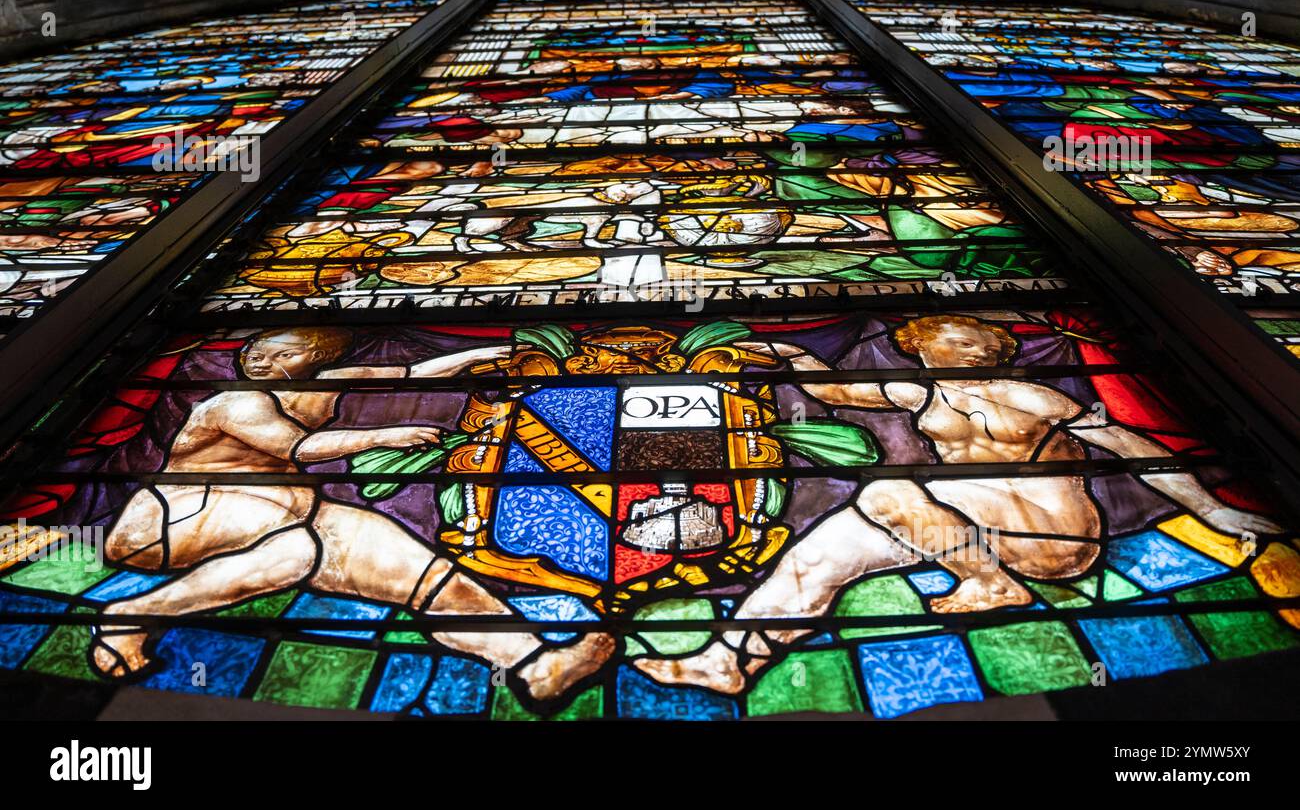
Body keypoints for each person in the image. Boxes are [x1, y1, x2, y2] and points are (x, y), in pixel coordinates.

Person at [635, 314, 1280, 693]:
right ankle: (728, 660)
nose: (964, 348)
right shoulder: (919, 396)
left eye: (973, 341)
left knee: (887, 491)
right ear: (922, 347)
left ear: (993, 350)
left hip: (1053, 536)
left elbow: (1133, 445)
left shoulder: (1036, 398)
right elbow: (831, 390)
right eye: (947, 341)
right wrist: (784, 353)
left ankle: (993, 586)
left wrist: (1212, 509)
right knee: (823, 552)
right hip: (968, 523)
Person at [93, 328, 613, 705]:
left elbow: (412, 374)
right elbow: (300, 447)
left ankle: (534, 661)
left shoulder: (335, 381)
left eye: (282, 352)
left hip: (283, 512)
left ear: (315, 359)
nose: (261, 358)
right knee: (300, 547)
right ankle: (128, 618)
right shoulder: (237, 402)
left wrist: (487, 352)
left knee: (419, 568)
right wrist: (383, 436)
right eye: (257, 349)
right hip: (174, 517)